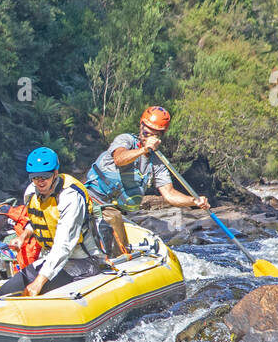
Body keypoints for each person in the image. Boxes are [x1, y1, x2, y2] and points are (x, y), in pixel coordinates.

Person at [85, 106, 210, 255]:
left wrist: (193, 201)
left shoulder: (157, 161)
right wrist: (144, 150)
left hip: (117, 212)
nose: (147, 138)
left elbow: (169, 193)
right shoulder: (125, 140)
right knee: (111, 227)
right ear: (141, 126)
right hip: (93, 200)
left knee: (152, 244)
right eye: (145, 133)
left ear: (159, 137)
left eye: (153, 135)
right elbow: (119, 159)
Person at [0, 147, 107, 297]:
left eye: (45, 176)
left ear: (55, 173)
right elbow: (37, 219)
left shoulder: (71, 197)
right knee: (6, 292)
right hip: (52, 258)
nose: (40, 182)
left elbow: (64, 244)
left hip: (85, 260)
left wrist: (38, 282)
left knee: (37, 291)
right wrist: (23, 237)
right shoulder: (31, 192)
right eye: (35, 177)